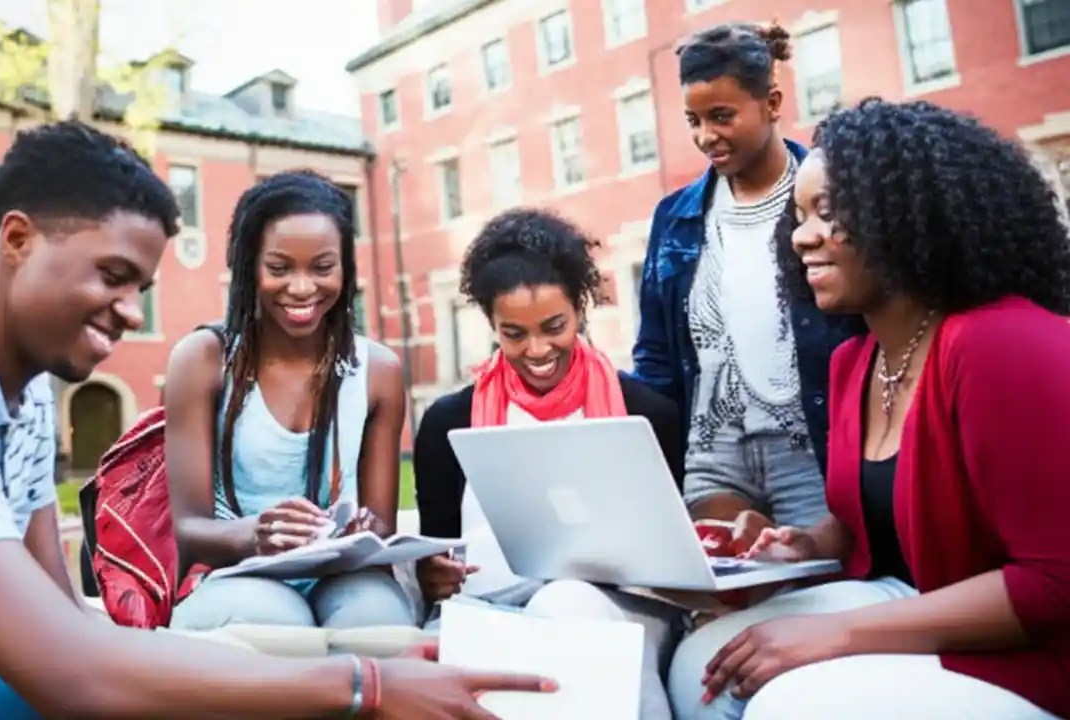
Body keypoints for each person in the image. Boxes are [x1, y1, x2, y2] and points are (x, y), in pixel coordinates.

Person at [0, 121, 552, 719]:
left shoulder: (13, 396)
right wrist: (363, 687)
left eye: (141, 287)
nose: (130, 312)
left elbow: (65, 619)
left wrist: (353, 667)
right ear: (16, 240)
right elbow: (71, 675)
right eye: (113, 277)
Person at [668, 98, 1070, 720]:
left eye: (828, 213)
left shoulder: (1000, 343)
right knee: (706, 664)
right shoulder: (855, 363)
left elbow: (1055, 583)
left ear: (910, 217)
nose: (802, 235)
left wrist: (836, 635)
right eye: (799, 215)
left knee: (791, 702)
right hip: (919, 602)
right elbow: (876, 526)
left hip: (1034, 653)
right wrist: (803, 545)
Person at [413, 208, 687, 720]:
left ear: (580, 312)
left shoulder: (647, 411)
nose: (537, 349)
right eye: (513, 333)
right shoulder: (449, 422)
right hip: (489, 606)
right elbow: (436, 553)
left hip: (624, 607)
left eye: (554, 327)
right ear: (492, 325)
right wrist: (433, 572)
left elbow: (678, 552)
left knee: (565, 609)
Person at [632, 22, 862, 548]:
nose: (705, 136)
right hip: (713, 455)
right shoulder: (676, 217)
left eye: (722, 116)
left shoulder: (830, 196)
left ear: (772, 102)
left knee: (809, 596)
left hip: (812, 451)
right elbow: (656, 358)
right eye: (693, 120)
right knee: (720, 597)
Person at [162, 170, 419, 632]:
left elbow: (380, 522)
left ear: (345, 268)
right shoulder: (204, 359)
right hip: (236, 570)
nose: (302, 288)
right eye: (279, 269)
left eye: (322, 268)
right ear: (248, 267)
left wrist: (363, 530)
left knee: (378, 624)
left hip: (340, 574)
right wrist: (257, 533)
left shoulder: (379, 371)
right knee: (276, 625)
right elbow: (189, 530)